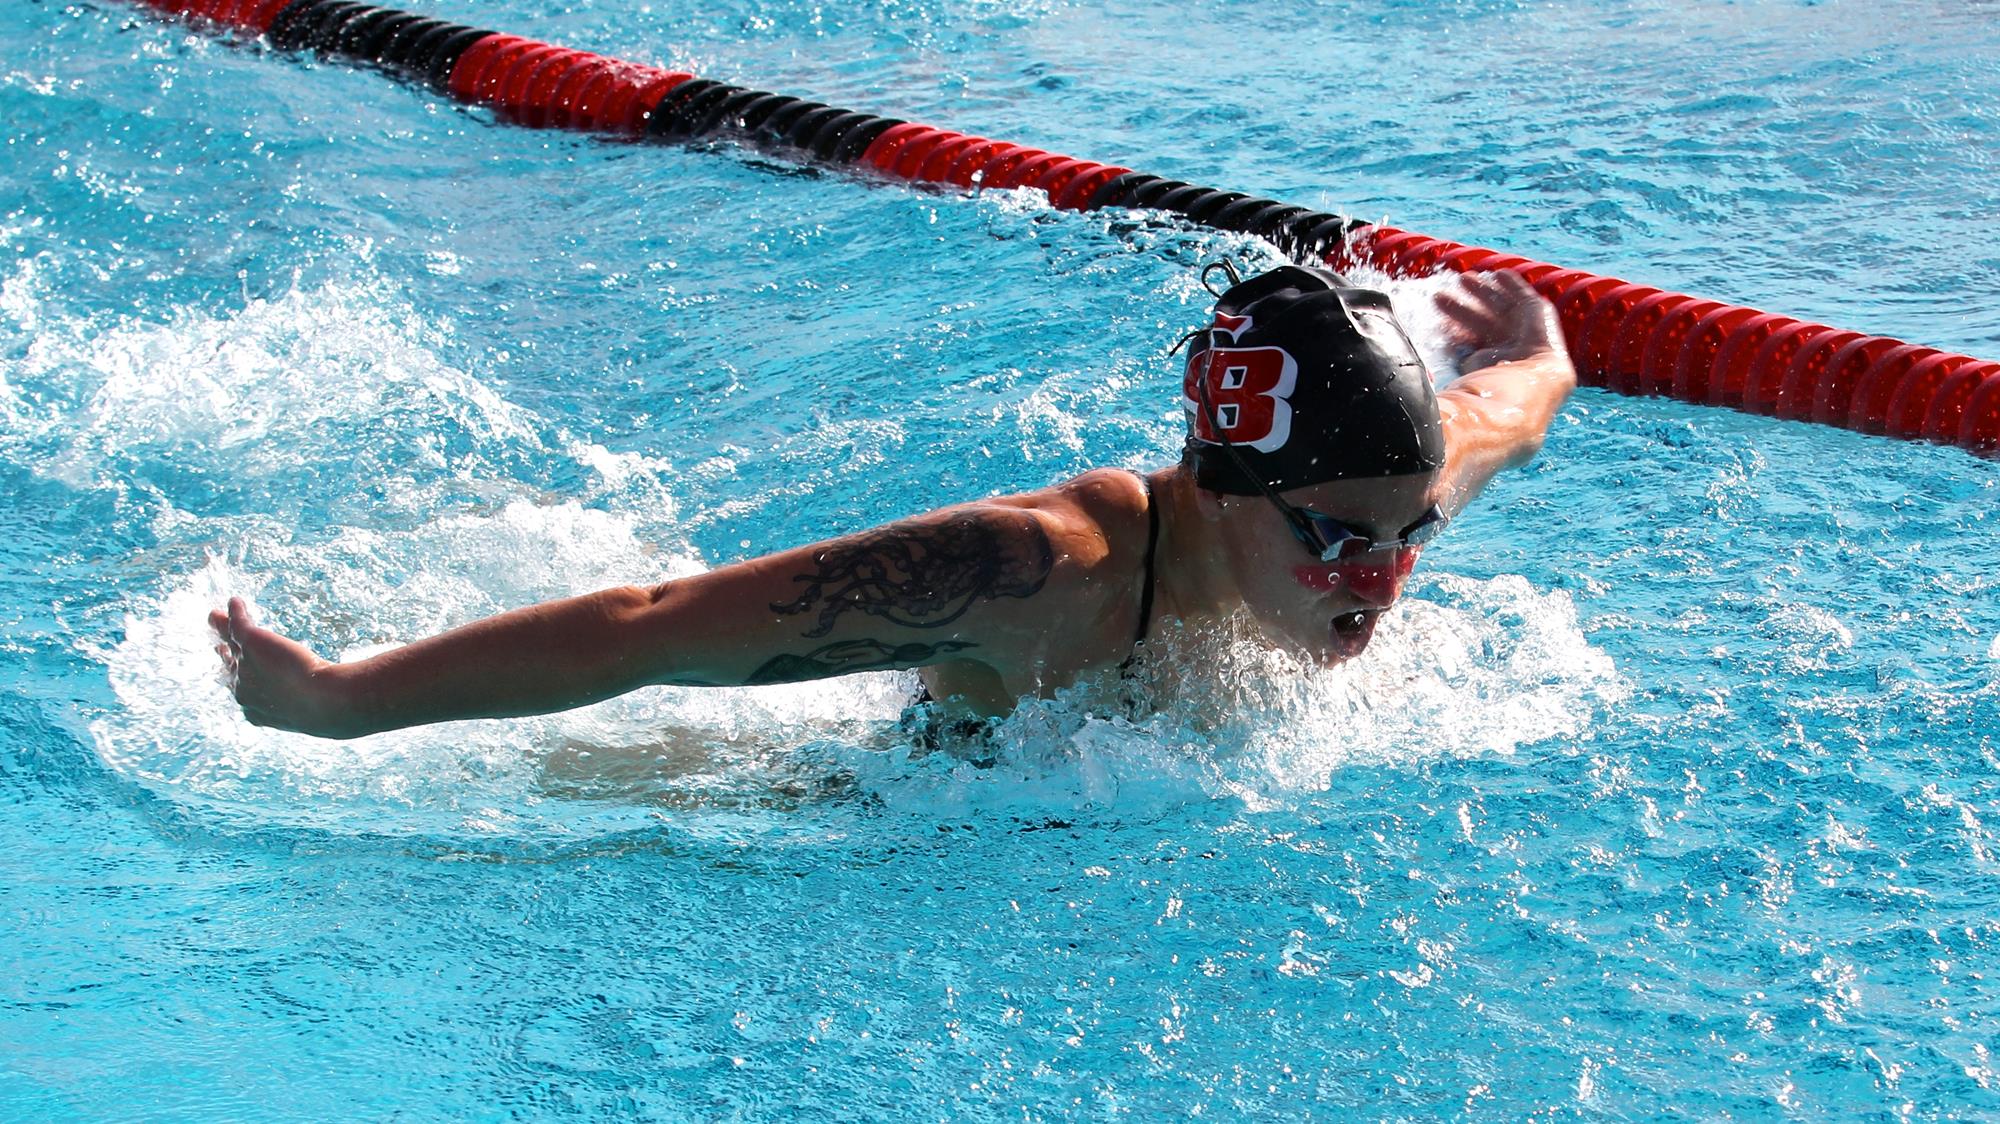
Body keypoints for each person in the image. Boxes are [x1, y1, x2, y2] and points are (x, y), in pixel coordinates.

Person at [210, 265, 1576, 739]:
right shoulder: (1036, 572)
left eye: (1415, 537)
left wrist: (1540, 347)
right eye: (1338, 541)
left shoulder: (1376, 485)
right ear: (1220, 490)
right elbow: (653, 626)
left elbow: (1506, 410)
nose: (1382, 582)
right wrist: (334, 697)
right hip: (866, 806)